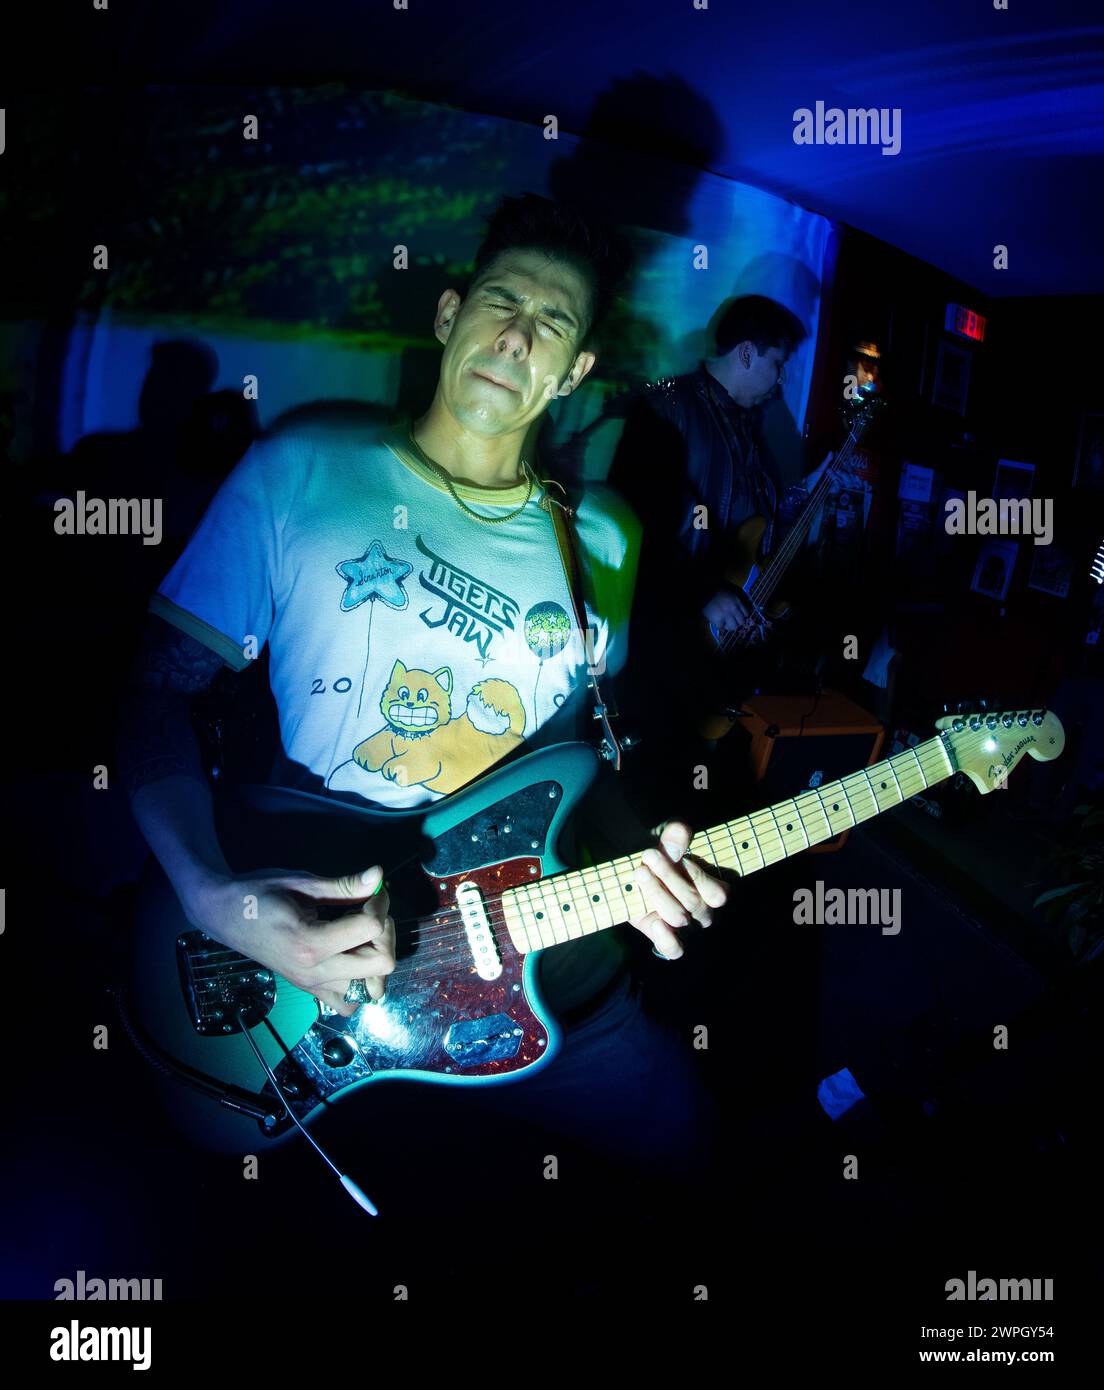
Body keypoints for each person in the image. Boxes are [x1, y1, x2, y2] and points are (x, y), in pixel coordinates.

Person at [115, 193, 731, 1191]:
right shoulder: (299, 467)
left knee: (694, 1152)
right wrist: (211, 895)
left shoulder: (605, 540)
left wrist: (640, 857)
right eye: (501, 301)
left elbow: (582, 759)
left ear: (574, 371)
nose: (517, 336)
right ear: (450, 314)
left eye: (553, 324)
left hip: (551, 978)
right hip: (318, 960)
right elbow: (153, 697)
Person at [607, 294, 824, 824]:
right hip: (666, 638)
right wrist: (702, 593)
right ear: (747, 353)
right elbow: (629, 523)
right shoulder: (667, 406)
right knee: (656, 781)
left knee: (698, 779)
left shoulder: (746, 426)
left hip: (714, 647)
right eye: (777, 363)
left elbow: (745, 528)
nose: (780, 380)